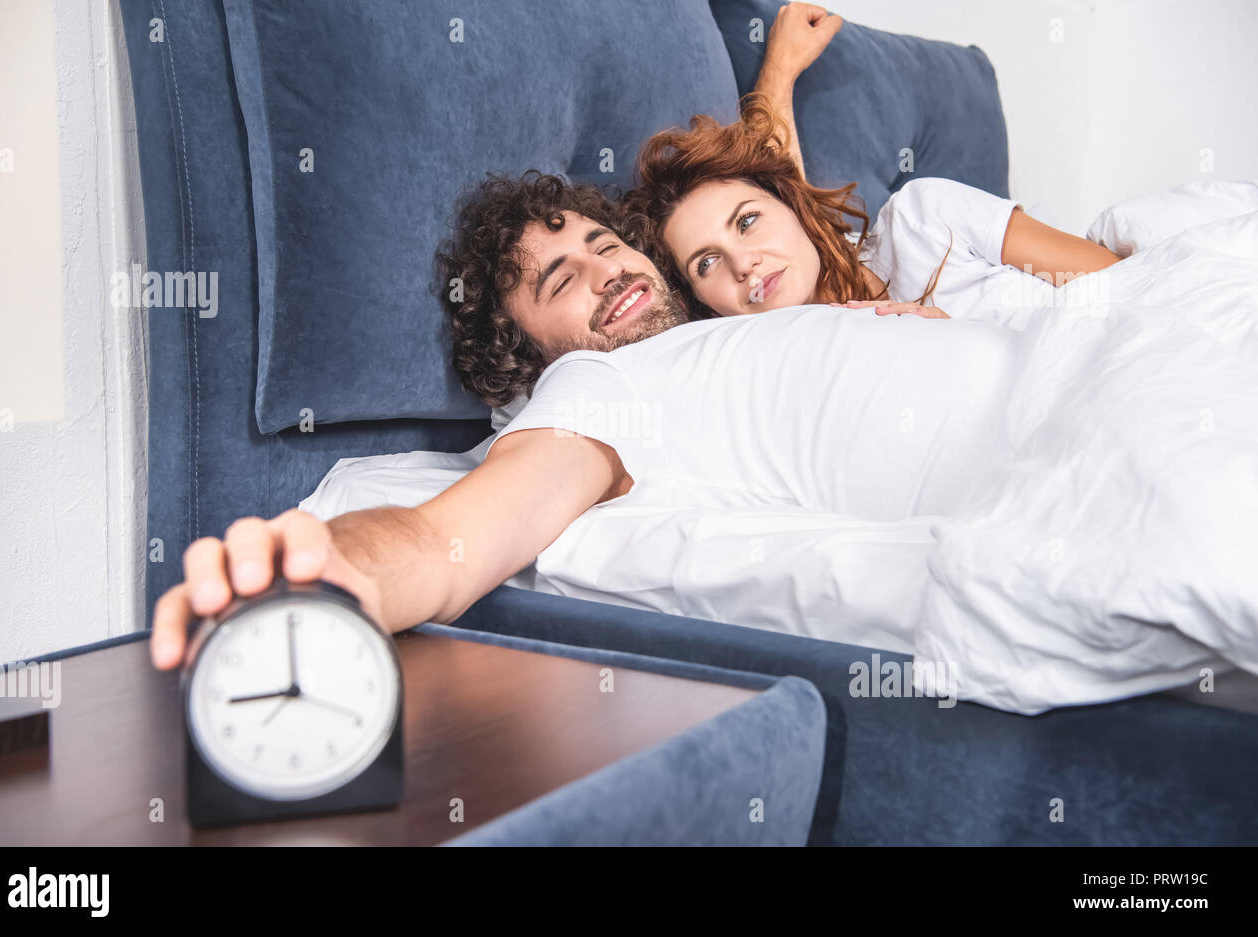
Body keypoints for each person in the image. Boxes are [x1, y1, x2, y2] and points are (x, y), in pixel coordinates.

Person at [151, 169, 1028, 670]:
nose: (604, 271)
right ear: (527, 360)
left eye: (605, 245)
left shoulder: (740, 322)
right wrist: (322, 573)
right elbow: (448, 539)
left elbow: (778, 198)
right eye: (561, 281)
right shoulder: (598, 387)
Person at [626, 5, 1124, 329]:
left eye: (748, 222)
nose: (743, 264)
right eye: (706, 264)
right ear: (698, 299)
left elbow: (1127, 287)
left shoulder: (923, 221)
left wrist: (779, 68)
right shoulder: (763, 368)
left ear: (793, 204)